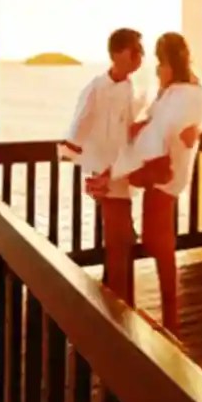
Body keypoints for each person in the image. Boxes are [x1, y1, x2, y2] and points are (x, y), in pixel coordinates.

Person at [107, 32, 202, 335]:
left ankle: (171, 320)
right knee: (156, 241)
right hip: (158, 172)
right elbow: (155, 122)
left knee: (159, 244)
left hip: (167, 174)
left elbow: (168, 128)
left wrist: (136, 152)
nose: (156, 69)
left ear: (172, 62)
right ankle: (165, 317)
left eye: (161, 62)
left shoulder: (189, 93)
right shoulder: (172, 91)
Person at [58, 28, 145, 304]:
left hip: (124, 170)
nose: (140, 57)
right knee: (118, 236)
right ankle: (120, 300)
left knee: (121, 235)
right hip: (106, 172)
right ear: (118, 53)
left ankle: (117, 293)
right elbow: (80, 121)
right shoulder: (96, 87)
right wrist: (71, 152)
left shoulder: (133, 89)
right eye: (135, 50)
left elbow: (133, 128)